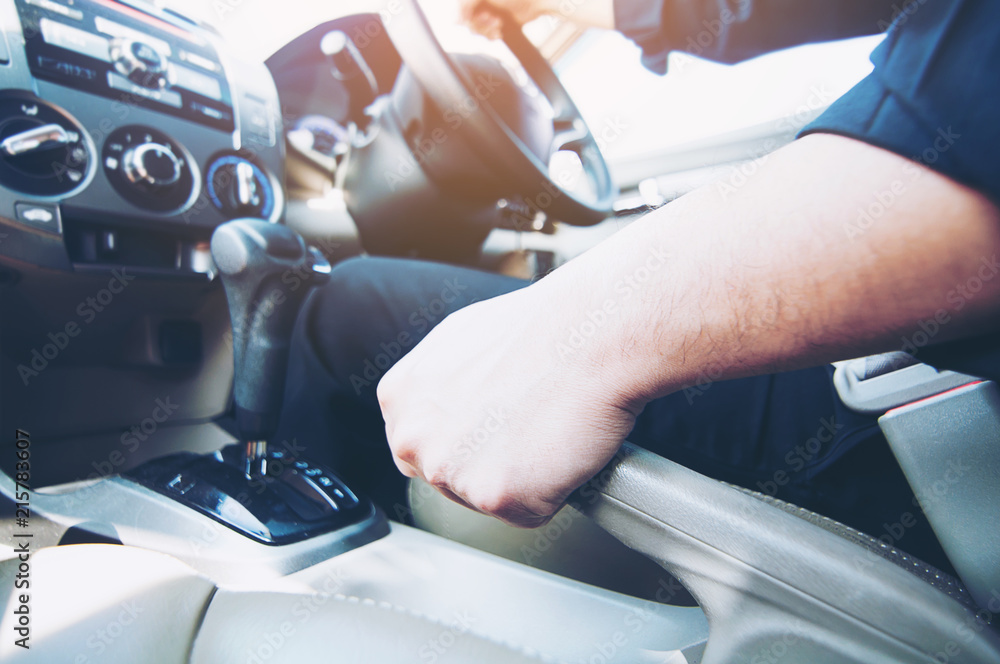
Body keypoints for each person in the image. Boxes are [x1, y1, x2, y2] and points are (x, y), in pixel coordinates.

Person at [276, 0, 1000, 572]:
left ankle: (311, 564)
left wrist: (573, 340)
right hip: (926, 406)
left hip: (931, 439)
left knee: (353, 303)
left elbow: (961, 149)